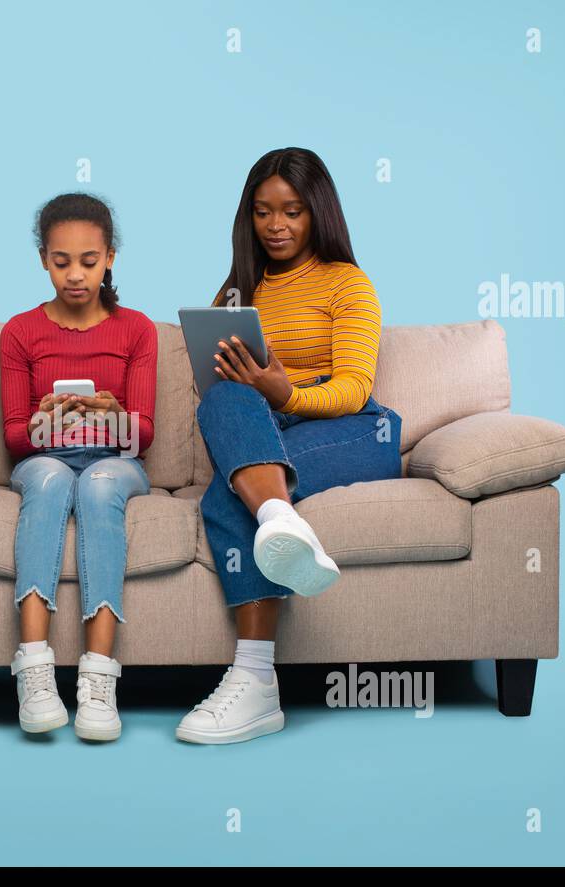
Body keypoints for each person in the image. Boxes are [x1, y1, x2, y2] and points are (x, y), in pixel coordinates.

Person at [176, 147, 403, 745]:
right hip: (273, 440)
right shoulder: (237, 291)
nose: (276, 226)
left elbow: (355, 388)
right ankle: (279, 518)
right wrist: (240, 385)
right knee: (222, 403)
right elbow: (222, 394)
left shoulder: (348, 283)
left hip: (356, 432)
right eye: (262, 212)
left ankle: (253, 682)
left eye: (293, 211)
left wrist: (286, 392)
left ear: (317, 212)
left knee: (226, 501)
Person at [0, 193, 157, 741]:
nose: (74, 275)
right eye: (61, 261)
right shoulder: (20, 332)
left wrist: (117, 417)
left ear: (109, 257)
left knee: (98, 480)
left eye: (88, 262)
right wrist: (43, 422)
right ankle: (36, 669)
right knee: (50, 476)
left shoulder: (137, 329)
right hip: (44, 459)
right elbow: (16, 440)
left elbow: (144, 437)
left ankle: (97, 679)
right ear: (44, 259)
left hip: (115, 460)